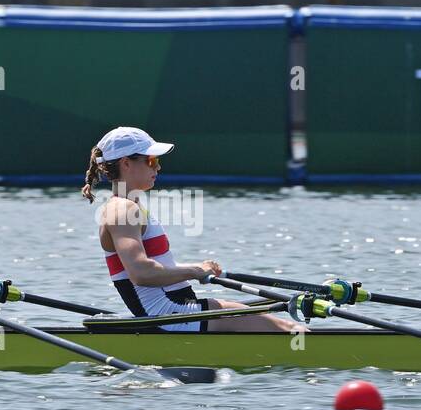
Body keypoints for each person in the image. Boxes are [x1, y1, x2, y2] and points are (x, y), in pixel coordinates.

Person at [81, 126, 297, 333]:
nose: (158, 167)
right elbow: (141, 273)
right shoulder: (122, 209)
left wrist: (197, 267)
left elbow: (157, 267)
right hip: (169, 316)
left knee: (278, 323)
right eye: (151, 160)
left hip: (178, 309)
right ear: (126, 163)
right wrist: (194, 272)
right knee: (290, 329)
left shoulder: (128, 206)